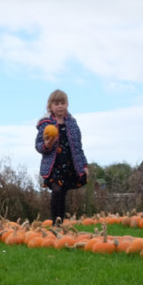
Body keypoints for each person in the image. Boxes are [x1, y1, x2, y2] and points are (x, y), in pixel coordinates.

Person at [35, 89, 89, 223]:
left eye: (62, 103)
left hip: (69, 164)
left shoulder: (72, 124)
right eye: (56, 103)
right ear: (50, 106)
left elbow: (78, 147)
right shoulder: (45, 124)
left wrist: (84, 165)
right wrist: (47, 145)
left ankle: (60, 223)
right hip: (53, 165)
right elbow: (38, 146)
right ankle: (55, 223)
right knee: (57, 190)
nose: (60, 106)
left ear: (67, 104)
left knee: (63, 193)